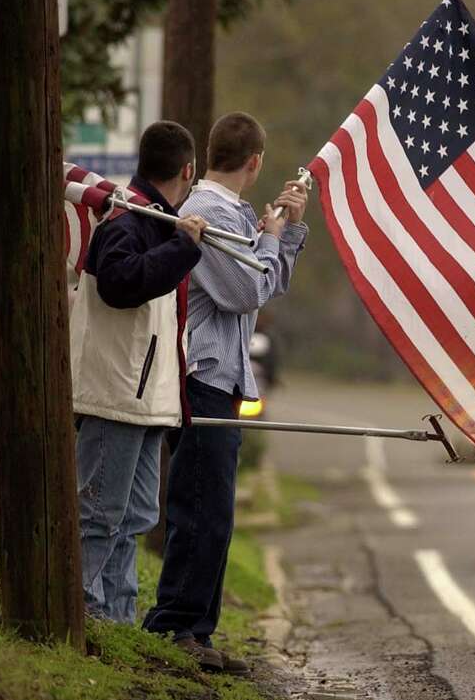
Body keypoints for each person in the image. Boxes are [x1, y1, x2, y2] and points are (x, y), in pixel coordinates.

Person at [143, 112, 309, 674]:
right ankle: (173, 626)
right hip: (203, 374)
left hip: (226, 376)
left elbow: (269, 284)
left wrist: (284, 232)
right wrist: (270, 237)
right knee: (199, 505)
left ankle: (197, 630)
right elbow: (245, 290)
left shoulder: (232, 213)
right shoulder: (208, 213)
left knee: (216, 509)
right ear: (255, 162)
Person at [68, 121, 207, 629]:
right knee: (100, 516)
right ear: (188, 171)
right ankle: (87, 611)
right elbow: (120, 284)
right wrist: (182, 248)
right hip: (116, 396)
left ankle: (119, 618)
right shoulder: (127, 221)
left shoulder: (157, 222)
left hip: (148, 401)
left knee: (134, 519)